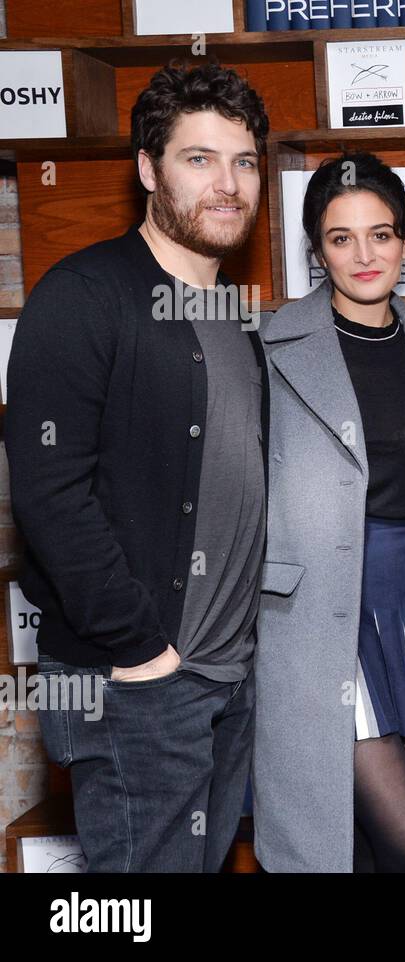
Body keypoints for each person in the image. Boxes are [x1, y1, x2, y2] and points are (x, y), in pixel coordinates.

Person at [5, 64, 269, 872]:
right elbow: (49, 493)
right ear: (148, 169)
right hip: (137, 685)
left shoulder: (232, 313)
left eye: (245, 162)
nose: (227, 185)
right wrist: (142, 649)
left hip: (225, 683)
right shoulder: (84, 294)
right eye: (199, 159)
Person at [252, 153, 405, 872]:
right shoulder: (268, 347)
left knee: (364, 839)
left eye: (380, 234)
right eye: (341, 238)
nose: (363, 254)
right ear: (317, 251)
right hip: (321, 615)